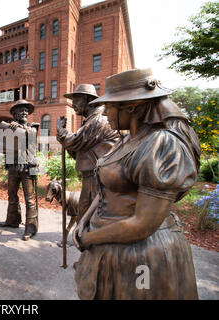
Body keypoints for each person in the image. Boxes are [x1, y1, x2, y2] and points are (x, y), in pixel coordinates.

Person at [72, 68, 200, 299]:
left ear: (131, 107)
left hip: (143, 254)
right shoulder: (126, 140)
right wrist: (85, 221)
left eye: (109, 106)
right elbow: (106, 189)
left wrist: (88, 238)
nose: (105, 112)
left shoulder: (161, 144)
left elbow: (143, 224)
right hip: (110, 242)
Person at [57, 84, 119, 222]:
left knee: (91, 216)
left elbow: (74, 141)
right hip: (92, 176)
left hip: (99, 177)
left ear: (87, 99)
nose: (73, 105)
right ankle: (84, 241)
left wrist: (60, 130)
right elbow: (77, 149)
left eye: (76, 100)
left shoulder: (99, 119)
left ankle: (89, 242)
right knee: (84, 213)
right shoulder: (91, 120)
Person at [0, 100, 40, 241]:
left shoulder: (32, 127)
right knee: (12, 195)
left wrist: (16, 128)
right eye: (21, 110)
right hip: (13, 166)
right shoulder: (10, 128)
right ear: (14, 114)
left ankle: (30, 228)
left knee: (29, 199)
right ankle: (12, 220)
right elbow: (2, 145)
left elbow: (28, 137)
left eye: (26, 110)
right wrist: (9, 129)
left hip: (27, 167)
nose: (25, 113)